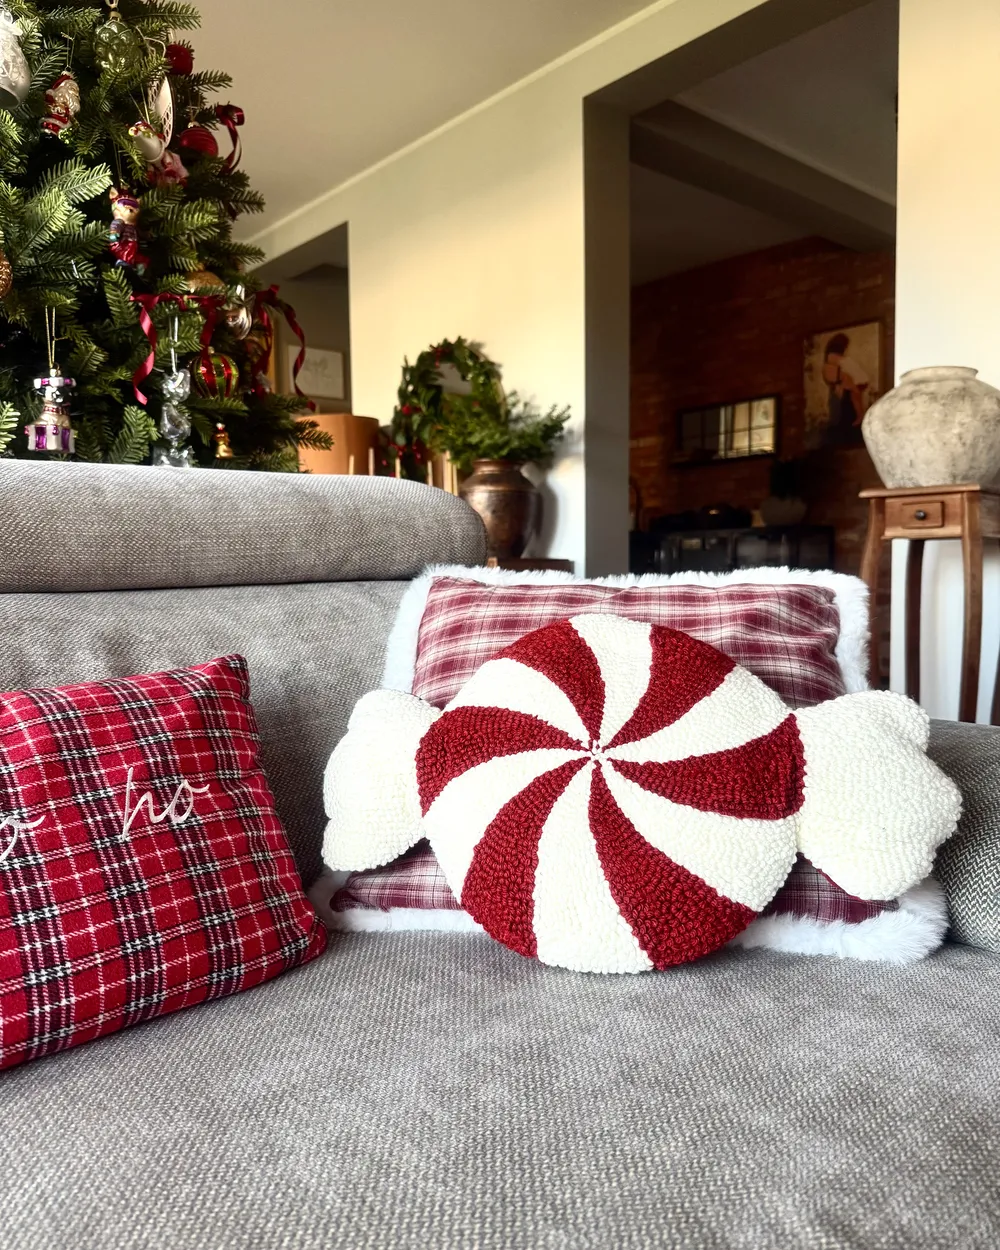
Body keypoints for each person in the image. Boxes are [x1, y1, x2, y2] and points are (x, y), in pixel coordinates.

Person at [821, 332, 870, 444]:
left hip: (846, 393)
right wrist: (853, 387)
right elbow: (844, 378)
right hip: (846, 395)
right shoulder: (835, 360)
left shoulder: (835, 361)